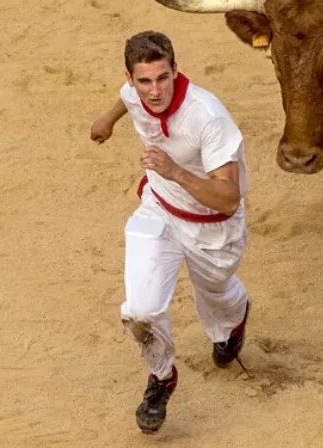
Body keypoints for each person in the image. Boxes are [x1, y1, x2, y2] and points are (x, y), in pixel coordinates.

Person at [90, 30, 251, 435]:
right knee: (140, 311)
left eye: (163, 78)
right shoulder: (134, 94)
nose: (155, 90)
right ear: (130, 78)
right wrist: (107, 120)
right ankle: (161, 376)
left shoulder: (207, 117)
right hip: (158, 210)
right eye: (144, 81)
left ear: (176, 71)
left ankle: (234, 320)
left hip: (213, 226)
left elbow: (228, 198)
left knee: (215, 290)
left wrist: (175, 171)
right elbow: (127, 103)